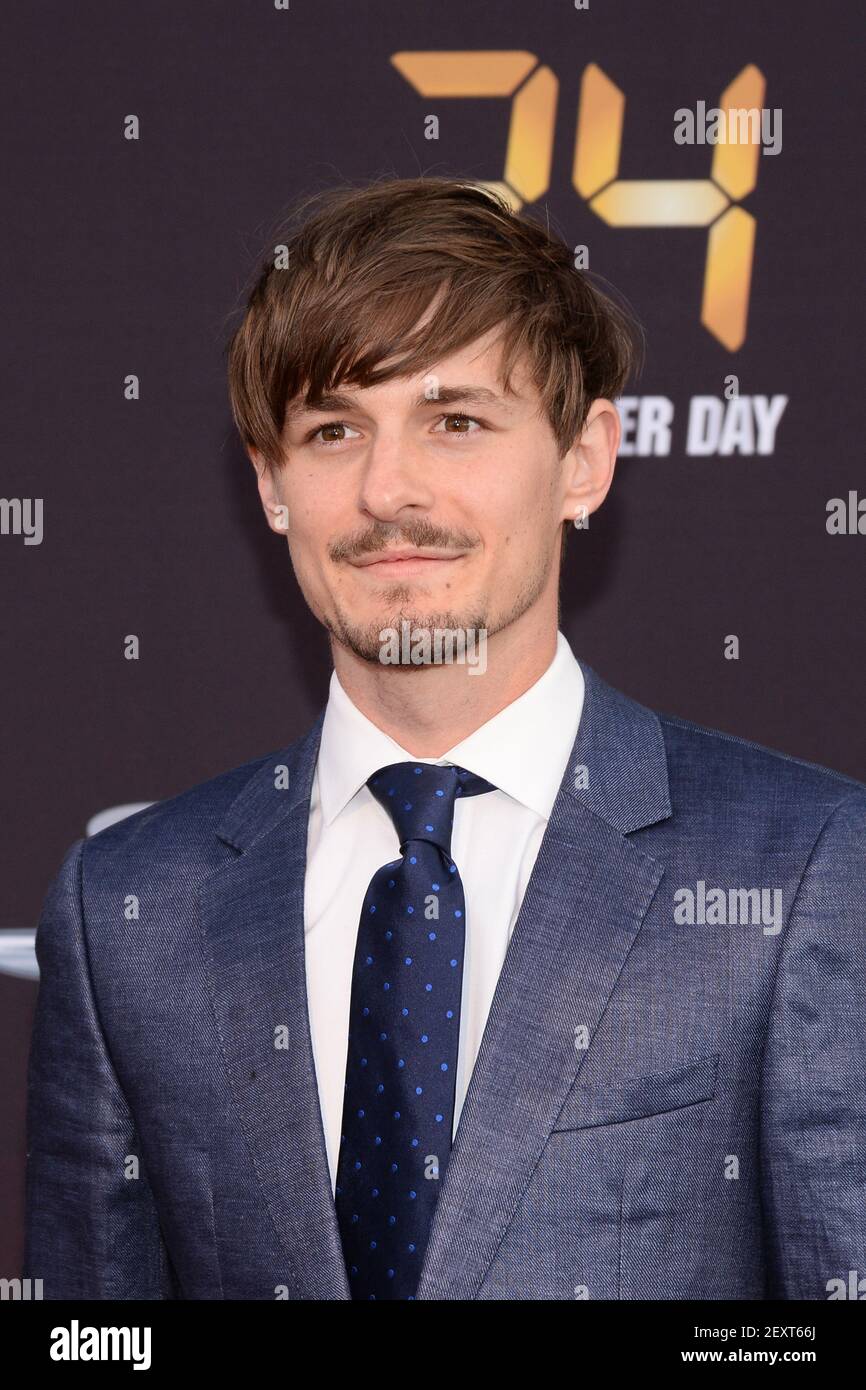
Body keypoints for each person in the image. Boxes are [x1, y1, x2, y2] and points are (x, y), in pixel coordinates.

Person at [24, 177, 866, 1300]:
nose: (387, 489)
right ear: (270, 484)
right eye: (332, 430)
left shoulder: (796, 869)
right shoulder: (127, 913)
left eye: (455, 420)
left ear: (583, 461)